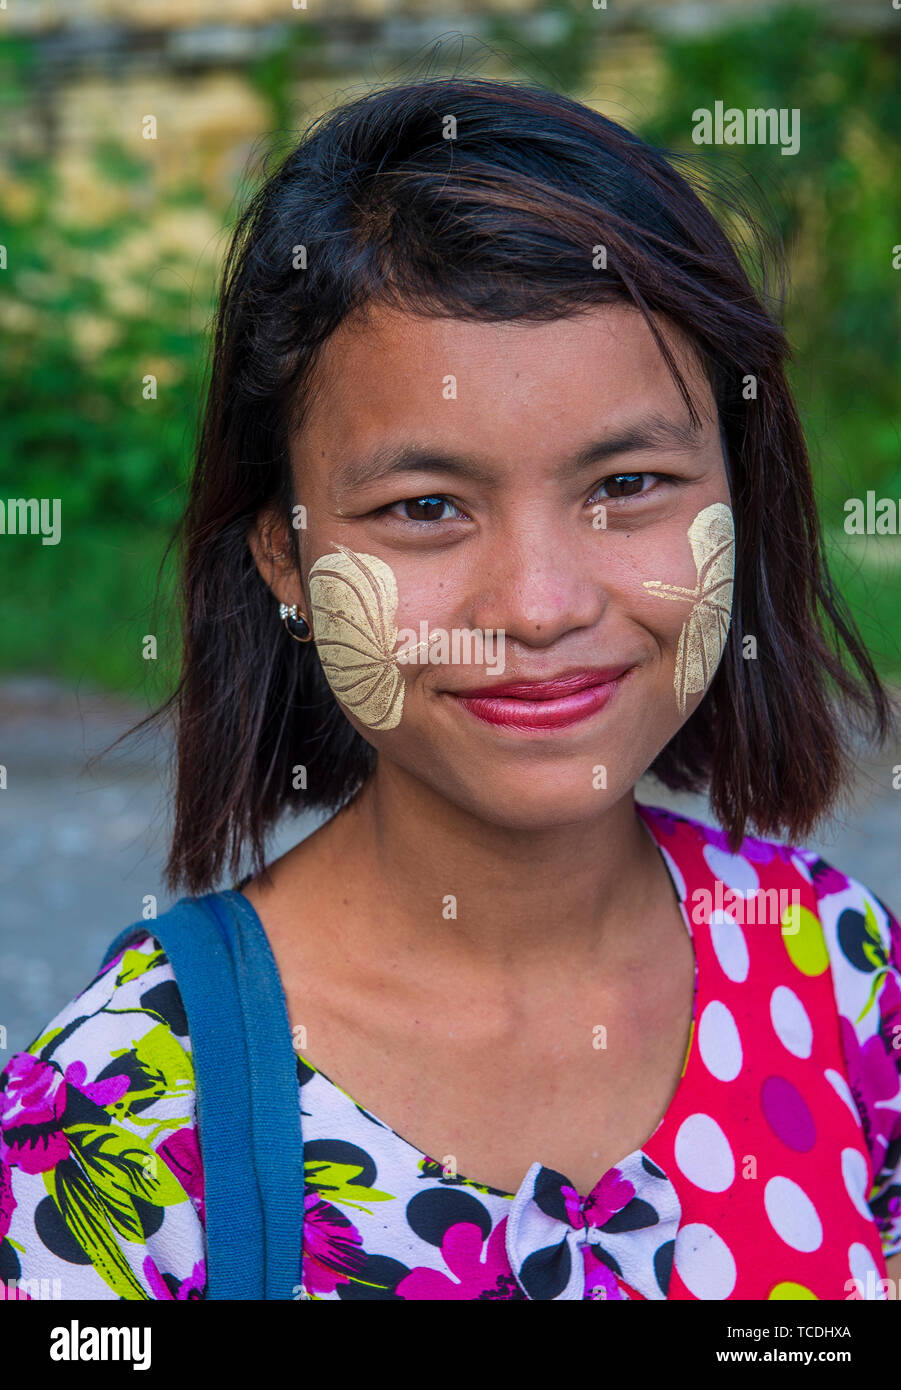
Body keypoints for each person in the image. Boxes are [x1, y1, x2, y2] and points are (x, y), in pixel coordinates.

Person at [2, 76, 899, 1302]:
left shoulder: (839, 969)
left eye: (626, 484)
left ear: (738, 500)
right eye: (424, 508)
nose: (537, 606)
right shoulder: (116, 1121)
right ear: (287, 560)